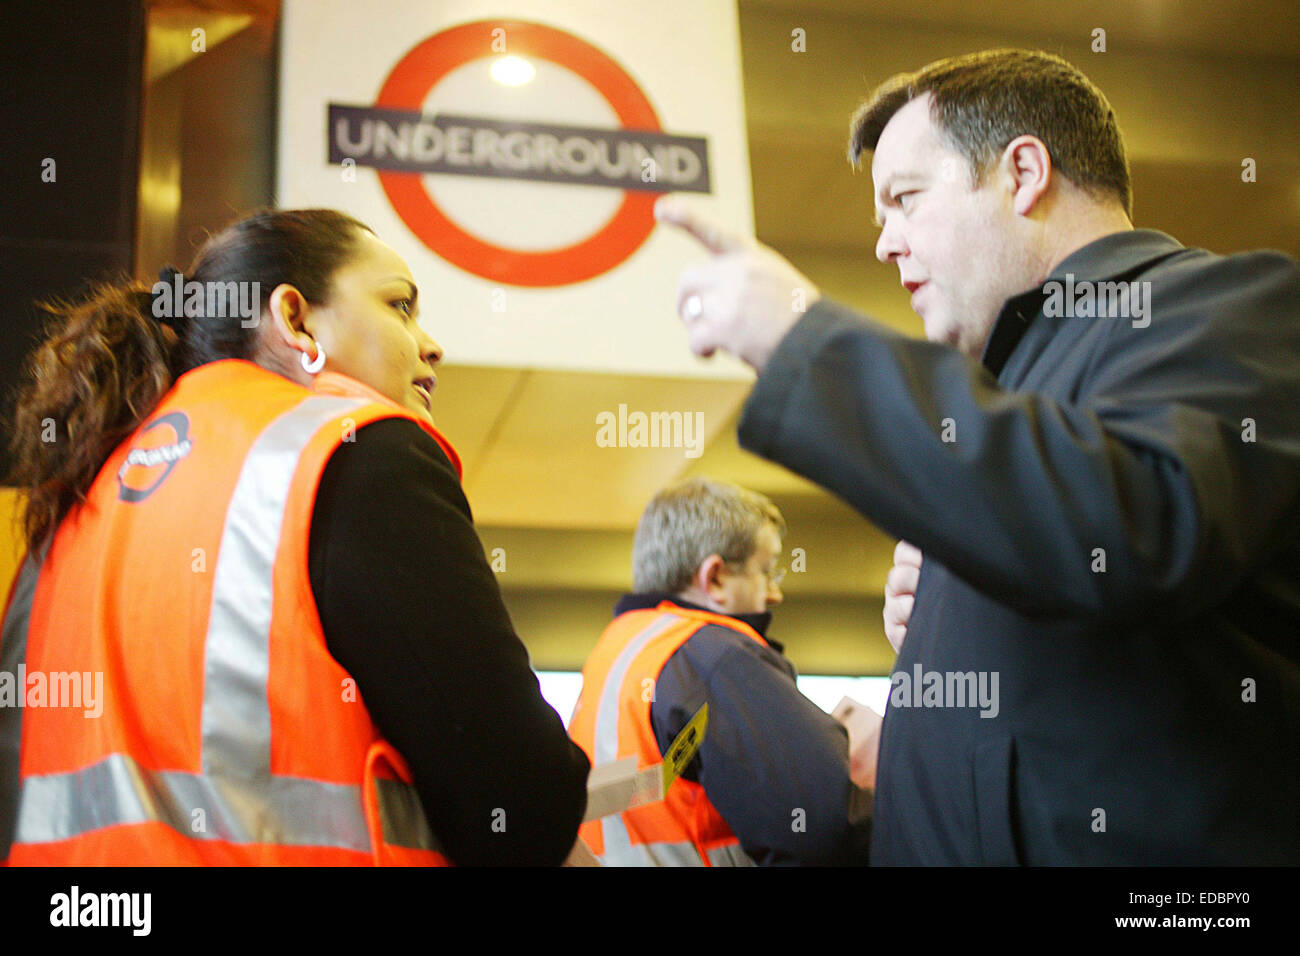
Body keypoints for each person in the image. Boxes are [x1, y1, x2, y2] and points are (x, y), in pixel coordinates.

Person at [656, 49, 1300, 864]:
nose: (887, 244)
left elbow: (1136, 522)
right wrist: (956, 629)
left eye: (905, 200)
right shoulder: (1016, 385)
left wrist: (804, 346)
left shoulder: (1225, 311)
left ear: (1023, 172)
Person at [0, 207, 589, 866]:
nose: (430, 344)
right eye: (400, 306)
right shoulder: (355, 451)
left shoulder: (74, 499)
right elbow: (523, 805)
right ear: (294, 319)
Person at [568, 477, 875, 866]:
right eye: (766, 571)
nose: (774, 594)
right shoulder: (712, 655)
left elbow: (650, 787)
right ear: (714, 578)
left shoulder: (617, 651)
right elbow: (826, 832)